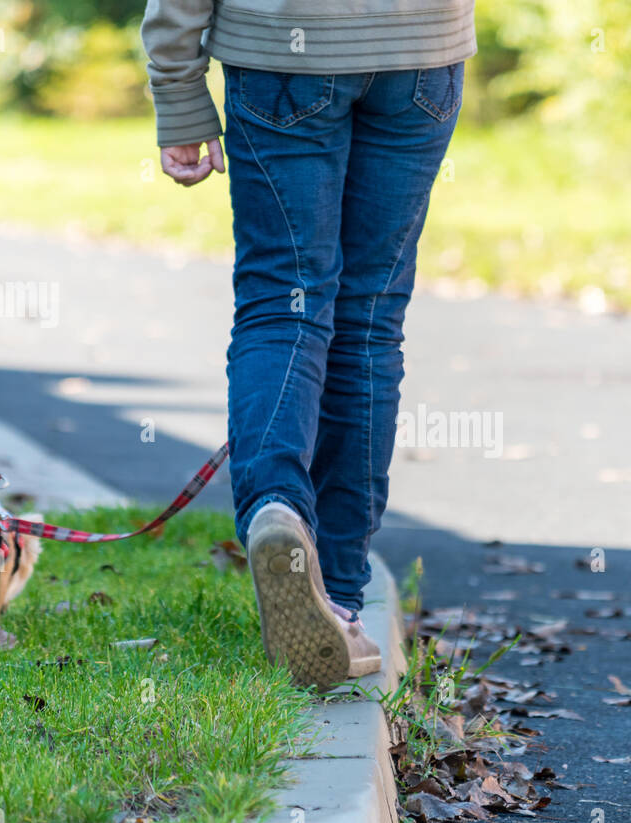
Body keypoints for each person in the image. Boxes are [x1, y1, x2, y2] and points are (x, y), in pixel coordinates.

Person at [141, 0, 475, 689]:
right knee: (369, 319)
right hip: (420, 55)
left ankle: (277, 508)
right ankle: (343, 602)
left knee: (282, 302)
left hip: (283, 54)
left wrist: (178, 91)